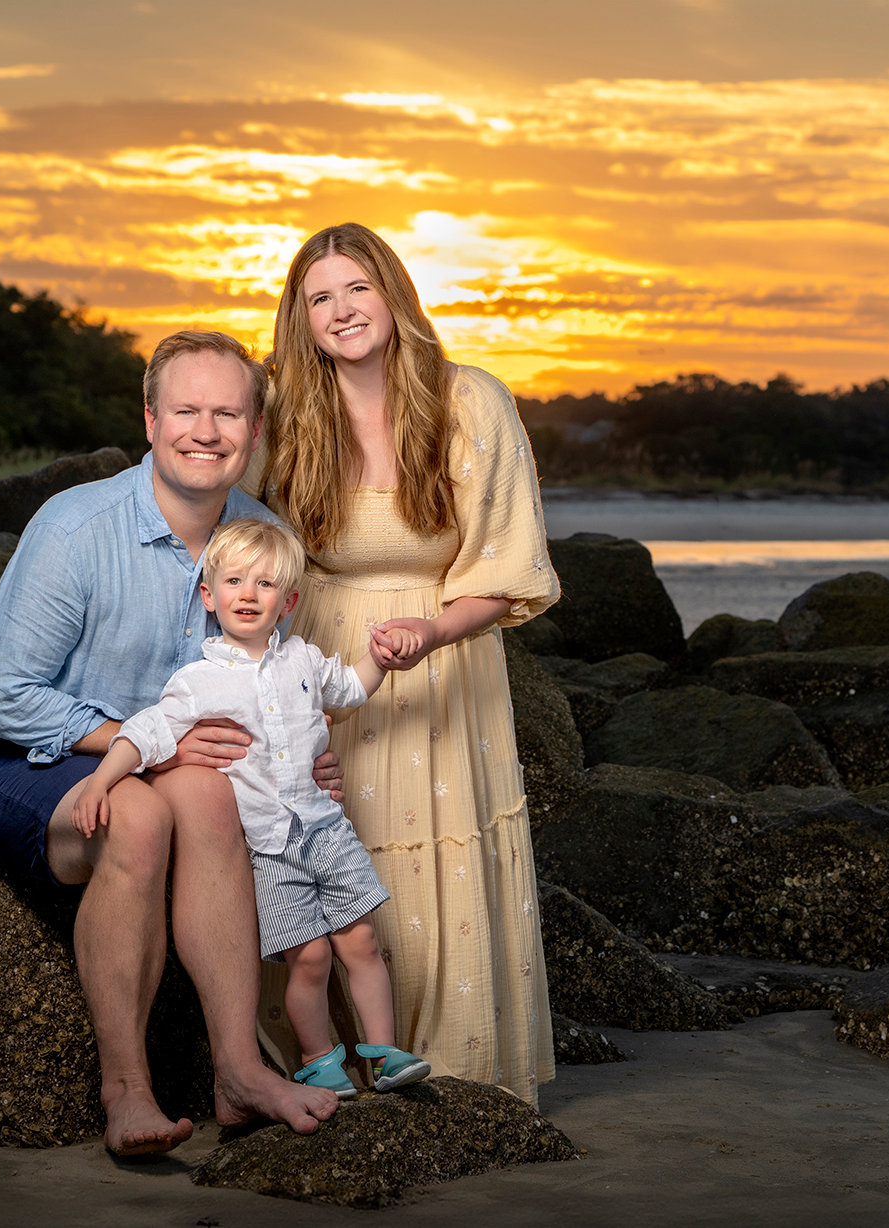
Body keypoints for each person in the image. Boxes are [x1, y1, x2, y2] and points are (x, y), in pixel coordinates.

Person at [0, 331, 343, 1155]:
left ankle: (236, 1069)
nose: (206, 429)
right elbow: (2, 695)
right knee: (139, 816)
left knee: (205, 792)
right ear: (151, 419)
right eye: (186, 409)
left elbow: (268, 679)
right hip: (12, 757)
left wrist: (300, 748)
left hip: (161, 762)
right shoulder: (77, 528)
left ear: (254, 431)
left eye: (227, 411)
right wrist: (144, 745)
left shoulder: (258, 539)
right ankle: (126, 1089)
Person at [247, 222, 560, 1103]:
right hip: (320, 665)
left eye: (358, 289)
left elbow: (512, 570)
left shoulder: (472, 403)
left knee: (437, 860)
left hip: (444, 665)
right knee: (323, 854)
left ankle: (450, 1069)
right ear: (301, 320)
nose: (343, 311)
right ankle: (319, 1066)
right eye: (321, 298)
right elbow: (239, 538)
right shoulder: (289, 417)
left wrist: (431, 632)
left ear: (394, 294)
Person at [71, 517, 432, 1098]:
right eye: (235, 581)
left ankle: (386, 1054)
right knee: (309, 958)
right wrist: (100, 782)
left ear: (287, 601)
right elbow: (147, 731)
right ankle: (318, 1060)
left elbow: (350, 688)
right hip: (267, 846)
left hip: (326, 830)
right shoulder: (199, 681)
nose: (248, 594)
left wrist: (380, 662)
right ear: (209, 596)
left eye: (265, 585)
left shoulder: (306, 662)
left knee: (361, 939)